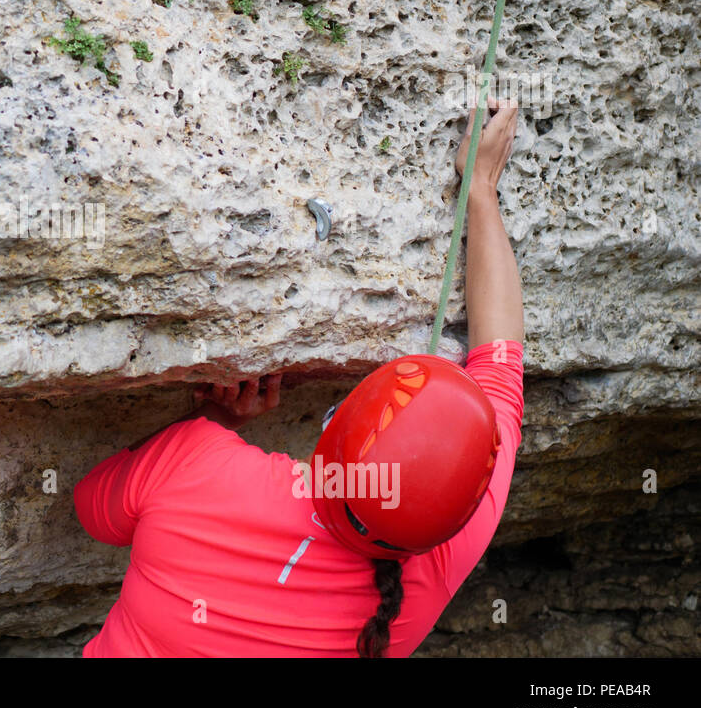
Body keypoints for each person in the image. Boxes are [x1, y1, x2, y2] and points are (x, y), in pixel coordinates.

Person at [74, 98, 525, 657]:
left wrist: (211, 415)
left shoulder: (195, 466)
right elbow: (500, 368)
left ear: (332, 427)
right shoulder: (433, 569)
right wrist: (480, 190)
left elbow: (93, 509)